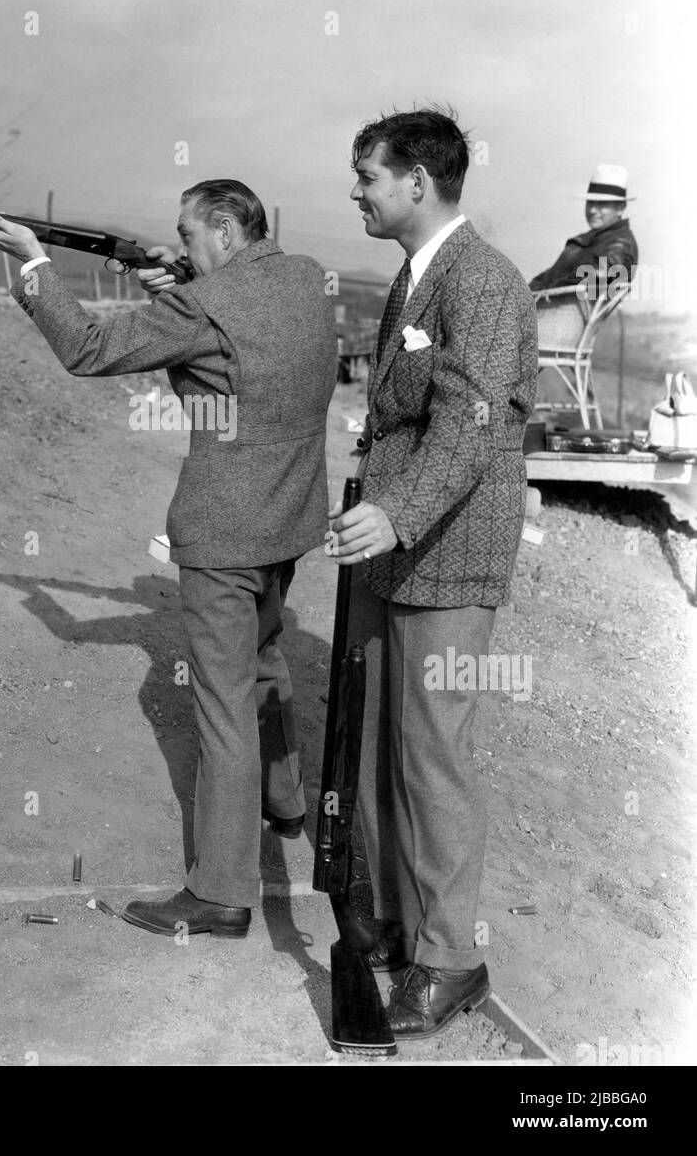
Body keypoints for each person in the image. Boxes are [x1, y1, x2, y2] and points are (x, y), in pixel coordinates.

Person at [0, 180, 337, 938]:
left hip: (222, 531)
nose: (180, 245)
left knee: (222, 710)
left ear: (229, 230)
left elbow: (86, 348)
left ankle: (221, 893)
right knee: (266, 654)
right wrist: (184, 282)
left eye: (190, 233)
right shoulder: (304, 278)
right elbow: (247, 341)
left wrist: (36, 264)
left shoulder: (199, 308)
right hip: (290, 516)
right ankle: (287, 802)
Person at [329, 108, 537, 1040]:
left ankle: (451, 961)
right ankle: (406, 933)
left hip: (448, 556)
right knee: (385, 751)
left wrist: (396, 509)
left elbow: (474, 428)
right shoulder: (414, 279)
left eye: (368, 175)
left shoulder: (485, 283)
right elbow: (416, 411)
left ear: (418, 180)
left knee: (434, 759)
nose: (357, 191)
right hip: (396, 553)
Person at [529, 163, 638, 296]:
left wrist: (541, 292)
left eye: (602, 204)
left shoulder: (620, 245)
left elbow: (592, 277)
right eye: (590, 202)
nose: (592, 210)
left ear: (620, 208)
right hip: (546, 311)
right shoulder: (591, 239)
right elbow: (550, 275)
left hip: (556, 313)